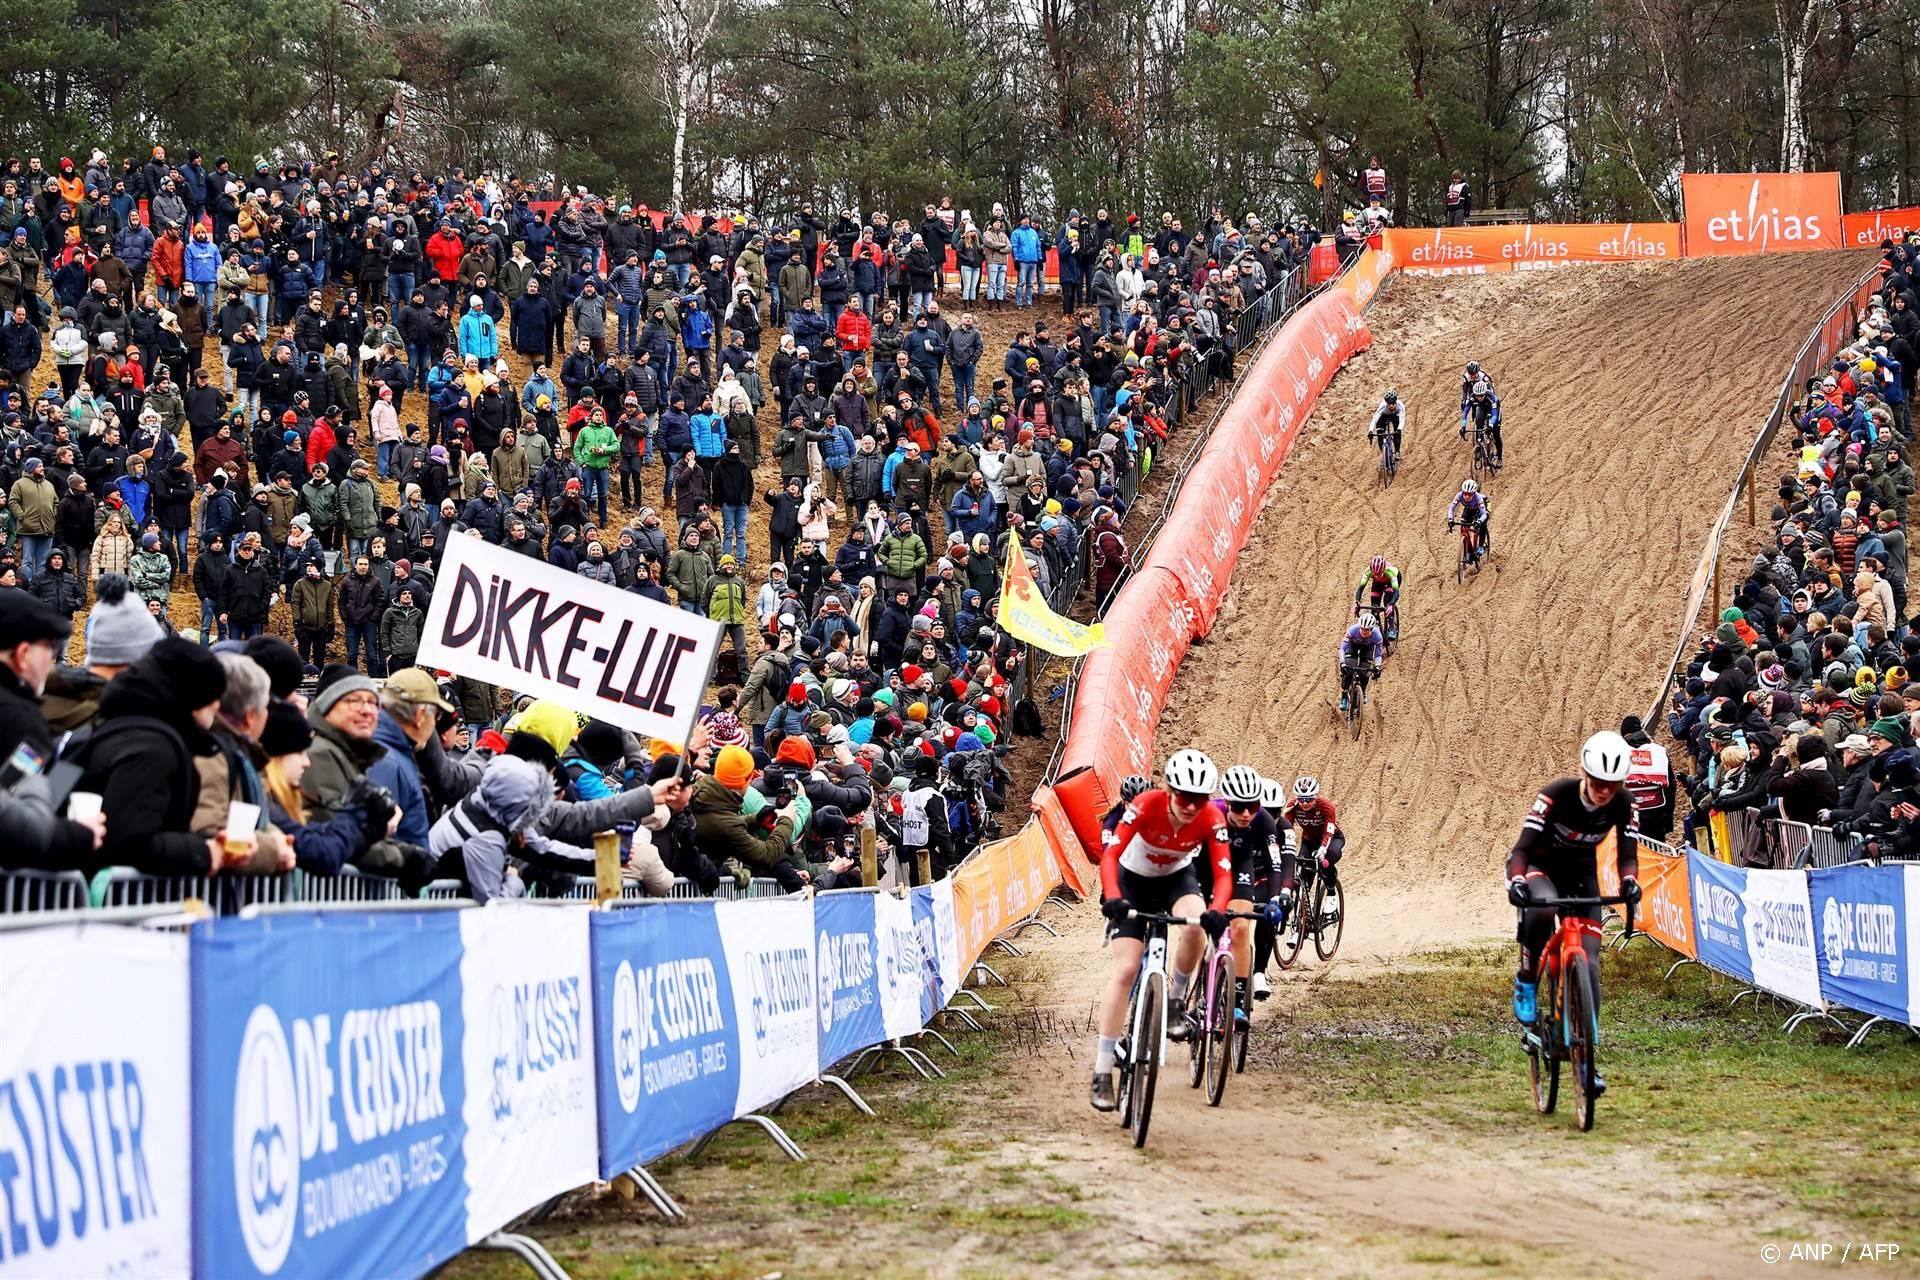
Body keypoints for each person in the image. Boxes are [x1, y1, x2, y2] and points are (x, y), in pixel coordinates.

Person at [1089, 748, 1231, 1112]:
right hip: (1132, 881)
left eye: (1199, 799)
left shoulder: (1212, 817)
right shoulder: (1146, 805)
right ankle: (1103, 1069)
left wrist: (1216, 911)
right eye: (1184, 797)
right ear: (1169, 790)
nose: (1191, 806)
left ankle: (1175, 1002)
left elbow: (1223, 874)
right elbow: (1109, 855)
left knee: (1197, 923)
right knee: (1125, 969)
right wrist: (1113, 897)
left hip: (1174, 881)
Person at [1507, 732, 1641, 1094]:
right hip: (1539, 866)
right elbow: (1521, 848)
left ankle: (1587, 1061)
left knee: (1591, 963)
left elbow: (1628, 856)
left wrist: (1630, 882)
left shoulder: (1625, 803)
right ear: (1584, 774)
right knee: (1543, 906)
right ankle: (1526, 977)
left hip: (1581, 876)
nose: (1603, 791)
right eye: (1597, 782)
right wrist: (1517, 880)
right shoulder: (1556, 794)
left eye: (1611, 786)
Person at [1337, 611, 1384, 712]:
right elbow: (1342, 648)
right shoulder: (1353, 630)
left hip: (1368, 648)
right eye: (1362, 628)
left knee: (1365, 672)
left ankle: (1362, 690)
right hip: (1352, 646)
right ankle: (1344, 696)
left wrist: (1377, 666)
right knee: (1349, 669)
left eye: (1366, 630)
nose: (1363, 631)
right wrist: (1342, 663)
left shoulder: (1377, 636)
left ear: (1372, 629)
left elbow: (1378, 654)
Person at [1353, 554, 1401, 641]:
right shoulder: (1368, 572)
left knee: (1388, 601)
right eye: (1374, 574)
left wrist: (1391, 605)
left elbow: (1396, 592)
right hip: (1377, 584)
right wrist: (1357, 602)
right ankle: (1377, 629)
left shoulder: (1390, 571)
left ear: (1383, 570)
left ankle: (1392, 627)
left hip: (1390, 581)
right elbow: (1360, 589)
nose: (1376, 576)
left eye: (1378, 574)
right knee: (1375, 607)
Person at [1460, 377, 1502, 465]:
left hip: (1494, 410)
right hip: (1482, 408)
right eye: (1477, 396)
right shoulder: (1472, 397)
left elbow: (1494, 414)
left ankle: (1499, 457)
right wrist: (1463, 426)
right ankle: (1479, 450)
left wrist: (1490, 425)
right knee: (1479, 426)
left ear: (1484, 393)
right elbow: (1466, 412)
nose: (1479, 397)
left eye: (1481, 395)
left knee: (1496, 432)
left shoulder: (1491, 397)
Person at [1446, 477, 1492, 557]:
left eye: (1469, 494)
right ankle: (1467, 548)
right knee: (1464, 524)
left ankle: (1481, 546)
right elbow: (1451, 508)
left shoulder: (1479, 499)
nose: (1467, 496)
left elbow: (1484, 514)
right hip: (1469, 508)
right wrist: (1450, 519)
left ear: (1474, 493)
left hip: (1483, 507)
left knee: (1483, 523)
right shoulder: (1459, 496)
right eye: (1465, 494)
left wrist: (1479, 521)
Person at [1368, 388, 1403, 459]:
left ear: (1396, 401)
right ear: (1386, 402)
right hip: (1383, 416)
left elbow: (1402, 419)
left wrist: (1399, 429)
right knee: (1380, 433)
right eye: (1389, 403)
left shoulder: (1400, 406)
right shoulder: (1383, 406)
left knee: (1397, 431)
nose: (1391, 405)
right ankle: (1384, 455)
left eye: (1393, 403)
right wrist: (1370, 431)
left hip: (1394, 416)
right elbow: (1375, 419)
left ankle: (1397, 451)